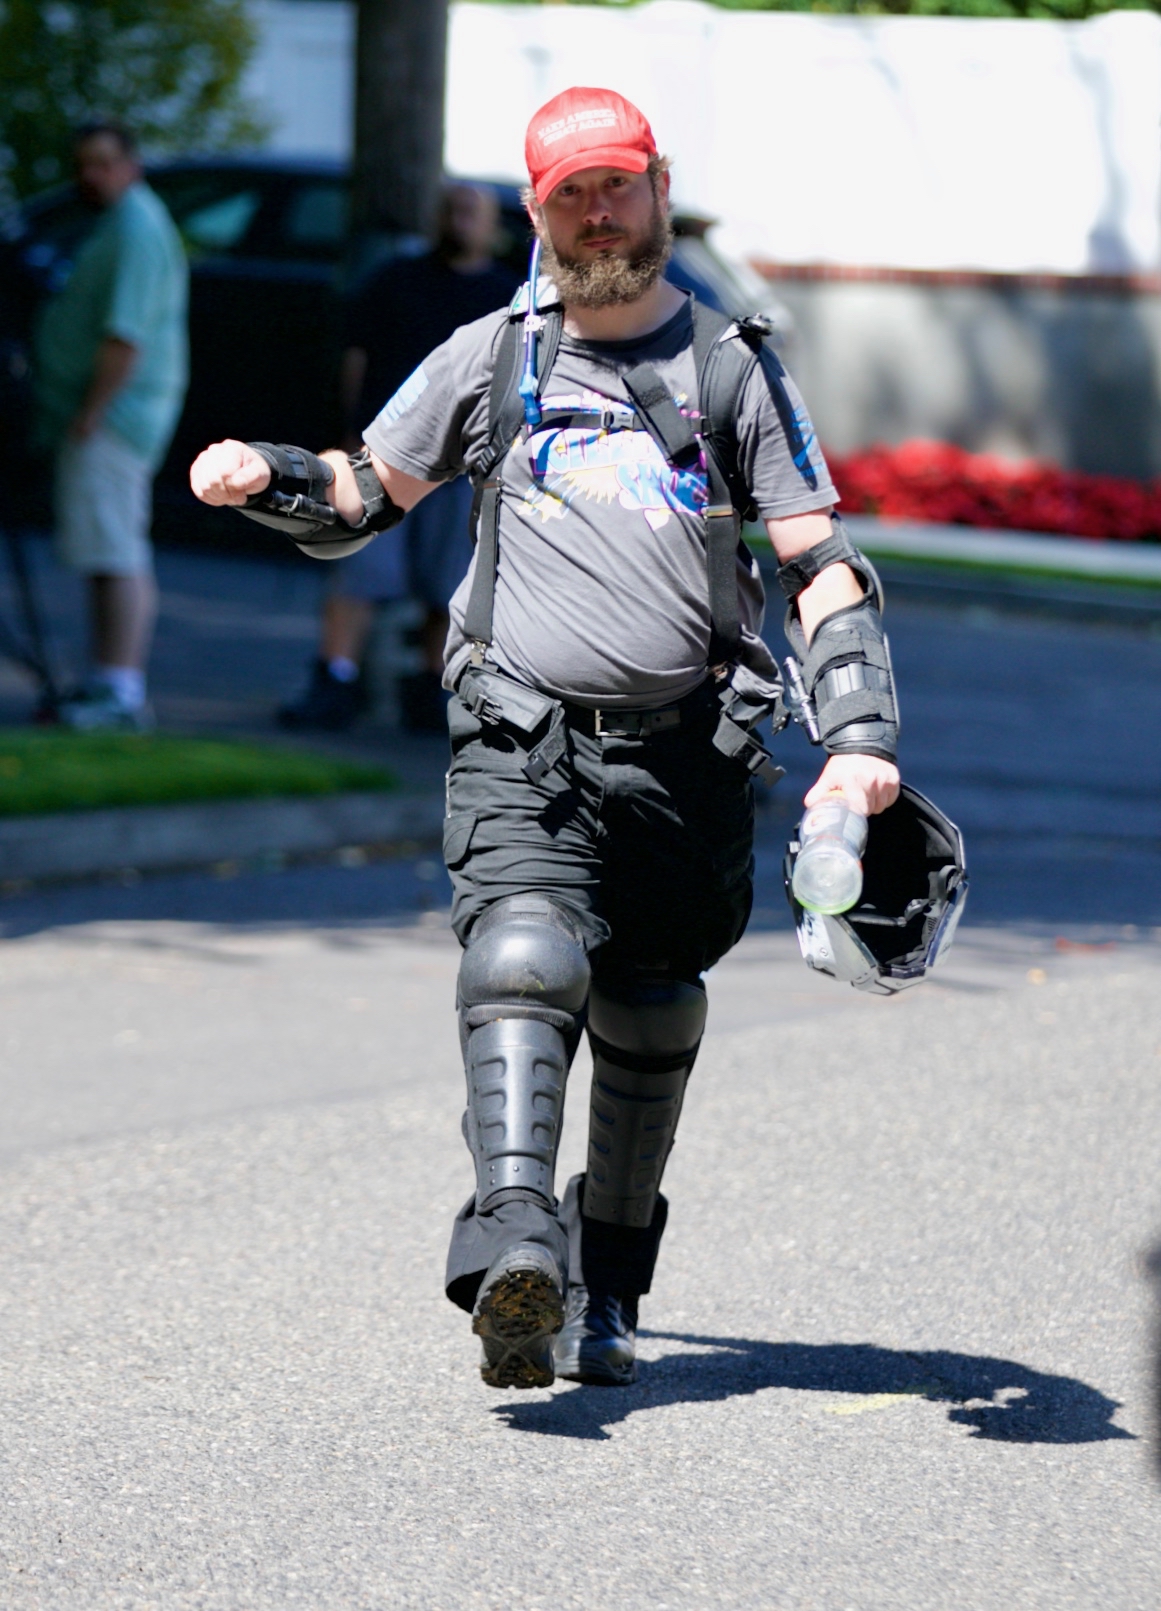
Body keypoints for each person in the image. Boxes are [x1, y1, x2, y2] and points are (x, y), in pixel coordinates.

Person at [190, 87, 901, 1391]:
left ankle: (608, 1279)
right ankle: (517, 1242)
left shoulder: (730, 366)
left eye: (617, 184)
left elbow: (819, 560)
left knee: (652, 1006)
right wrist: (267, 474)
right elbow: (364, 493)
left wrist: (859, 735)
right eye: (572, 192)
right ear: (536, 211)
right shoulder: (489, 358)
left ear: (657, 187)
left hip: (689, 758)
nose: (598, 211)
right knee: (522, 956)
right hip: (523, 743)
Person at [279, 183, 518, 733]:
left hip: (466, 462)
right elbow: (355, 357)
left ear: (491, 227)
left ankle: (432, 687)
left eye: (471, 212)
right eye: (451, 210)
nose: (459, 221)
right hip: (384, 455)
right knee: (359, 571)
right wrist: (350, 430)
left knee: (449, 584)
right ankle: (334, 679)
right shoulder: (396, 279)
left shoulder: (506, 298)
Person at [33, 121, 188, 730]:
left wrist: (91, 412)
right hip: (105, 413)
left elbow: (126, 336)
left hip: (115, 416)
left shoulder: (136, 229)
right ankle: (105, 681)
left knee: (116, 548)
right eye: (83, 164)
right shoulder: (121, 221)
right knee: (102, 549)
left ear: (132, 164)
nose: (90, 175)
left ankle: (122, 691)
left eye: (103, 162)